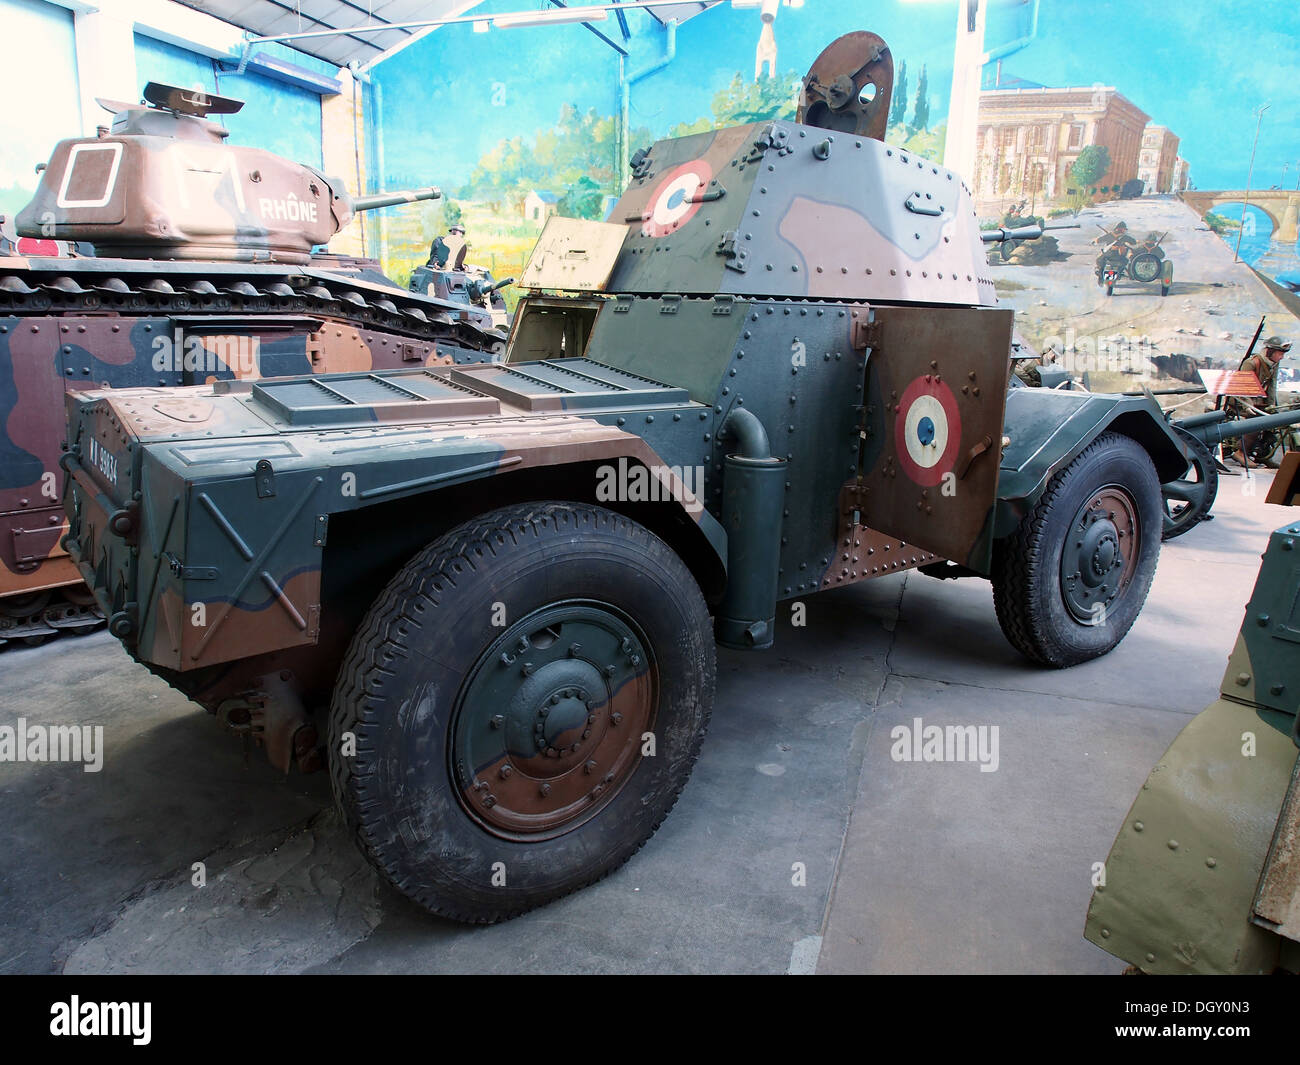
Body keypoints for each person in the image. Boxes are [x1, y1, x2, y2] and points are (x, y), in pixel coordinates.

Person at [1230, 336, 1292, 465]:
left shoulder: (1273, 364)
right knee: (1257, 420)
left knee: (1273, 420)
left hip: (1258, 402)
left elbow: (1272, 386)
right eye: (1280, 353)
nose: (1281, 357)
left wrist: (1272, 406)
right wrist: (1248, 405)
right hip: (1241, 401)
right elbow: (1243, 386)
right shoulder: (1252, 362)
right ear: (1270, 351)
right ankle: (1241, 452)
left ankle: (1262, 454)